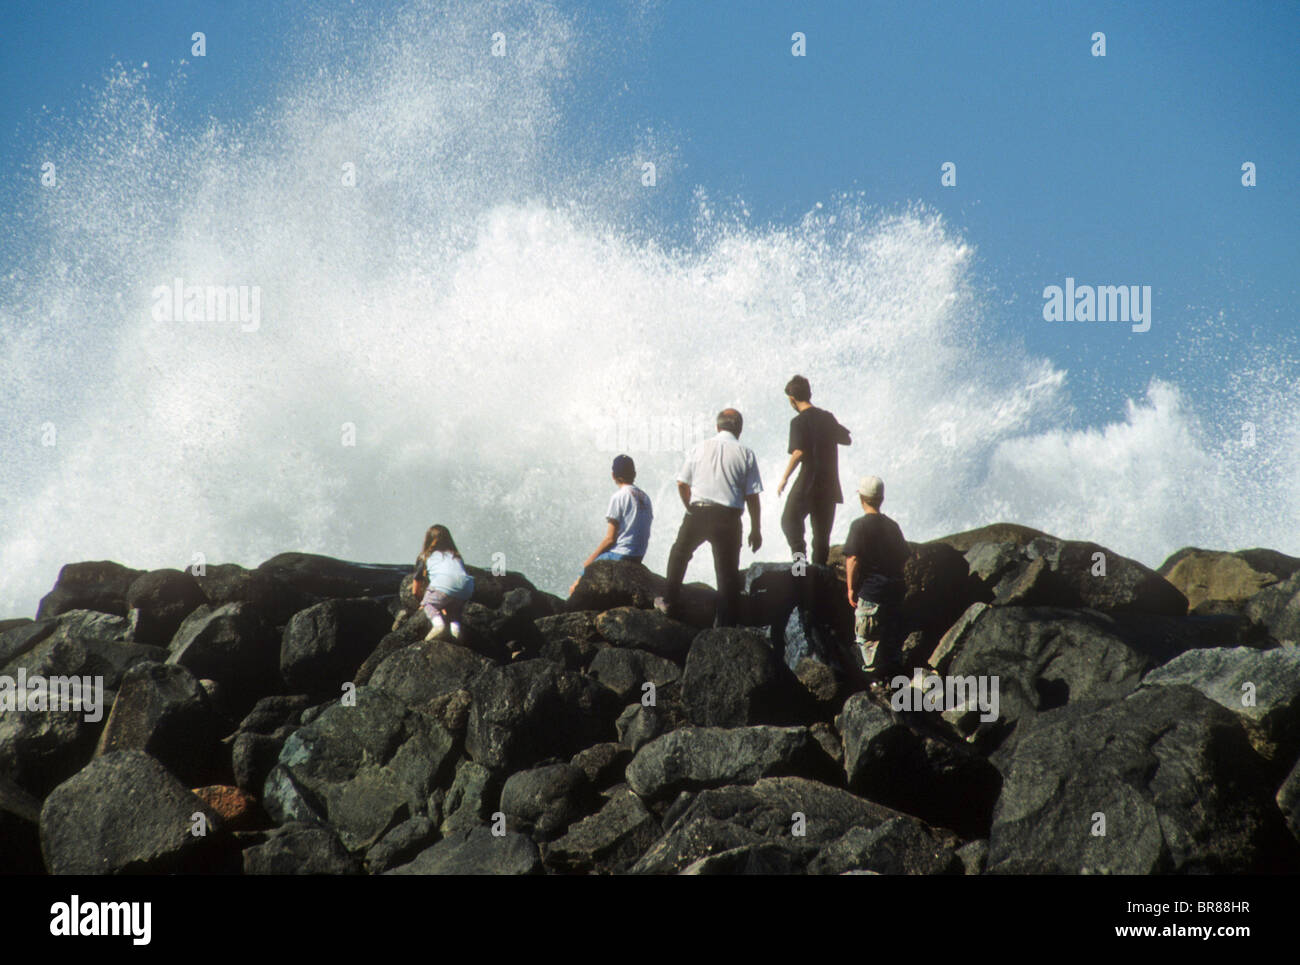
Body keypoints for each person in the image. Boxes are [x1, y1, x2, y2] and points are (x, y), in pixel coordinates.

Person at [655, 408, 762, 627]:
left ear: (717, 426)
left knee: (680, 553)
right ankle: (725, 624)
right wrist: (756, 529)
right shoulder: (746, 453)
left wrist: (689, 507)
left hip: (699, 512)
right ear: (739, 429)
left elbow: (681, 483)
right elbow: (752, 496)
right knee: (727, 573)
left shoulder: (699, 447)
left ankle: (669, 600)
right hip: (729, 518)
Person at [776, 375, 851, 567]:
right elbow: (846, 439)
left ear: (792, 399)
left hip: (808, 484)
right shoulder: (827, 417)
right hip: (829, 487)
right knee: (821, 536)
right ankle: (820, 573)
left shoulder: (798, 422)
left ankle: (800, 567)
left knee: (789, 521)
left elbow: (798, 452)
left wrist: (784, 478)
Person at [842, 476, 910, 680]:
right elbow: (904, 556)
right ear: (881, 498)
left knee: (868, 642)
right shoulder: (892, 526)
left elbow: (853, 558)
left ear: (861, 498)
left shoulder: (859, 526)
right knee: (891, 642)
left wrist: (850, 588)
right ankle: (897, 684)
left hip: (872, 593)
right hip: (894, 592)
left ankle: (876, 685)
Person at [568, 454, 654, 596]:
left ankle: (572, 598)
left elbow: (610, 539)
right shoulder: (645, 497)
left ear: (613, 475)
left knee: (582, 576)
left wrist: (589, 562)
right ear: (634, 474)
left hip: (622, 554)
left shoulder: (619, 497)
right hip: (638, 556)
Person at [410, 524, 475, 641]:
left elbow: (415, 590)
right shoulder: (456, 556)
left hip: (444, 586)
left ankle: (438, 625)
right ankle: (456, 630)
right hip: (466, 588)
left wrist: (424, 603)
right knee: (454, 611)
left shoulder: (425, 556)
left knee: (428, 604)